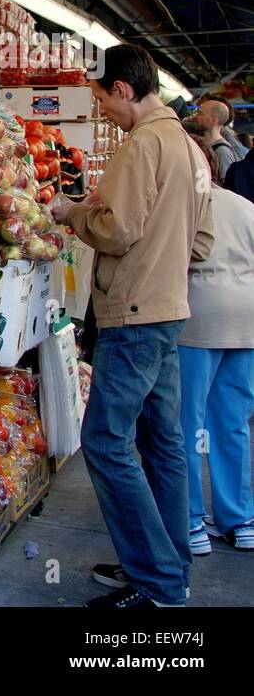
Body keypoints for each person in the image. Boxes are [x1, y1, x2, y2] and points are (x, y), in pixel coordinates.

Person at [52, 44, 214, 608]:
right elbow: (203, 241)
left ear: (122, 89)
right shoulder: (192, 150)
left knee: (105, 441)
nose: (103, 113)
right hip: (170, 310)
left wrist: (71, 212)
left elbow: (116, 230)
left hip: (134, 315)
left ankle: (158, 581)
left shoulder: (142, 144)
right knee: (163, 443)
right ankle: (172, 566)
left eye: (101, 99)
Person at [176, 136, 254, 555]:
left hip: (199, 320)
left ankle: (191, 523)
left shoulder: (184, 207)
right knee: (232, 420)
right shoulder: (245, 206)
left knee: (189, 424)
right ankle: (239, 520)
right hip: (246, 323)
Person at [190, 99, 239, 180]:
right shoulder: (204, 145)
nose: (195, 117)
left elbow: (226, 185)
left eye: (200, 113)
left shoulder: (222, 151)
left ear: (213, 120)